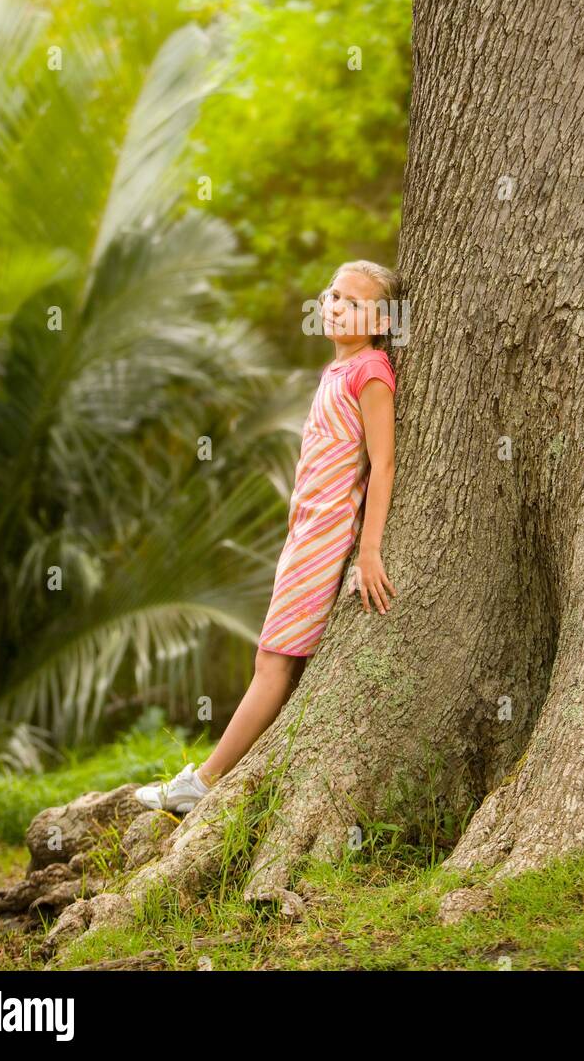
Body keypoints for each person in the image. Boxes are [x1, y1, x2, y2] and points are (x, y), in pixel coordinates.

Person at [135, 259, 400, 813]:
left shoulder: (370, 371)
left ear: (380, 317)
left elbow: (383, 461)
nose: (336, 307)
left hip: (325, 537)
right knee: (280, 660)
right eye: (333, 295)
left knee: (272, 661)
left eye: (353, 302)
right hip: (304, 531)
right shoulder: (338, 370)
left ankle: (203, 783)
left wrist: (369, 548)